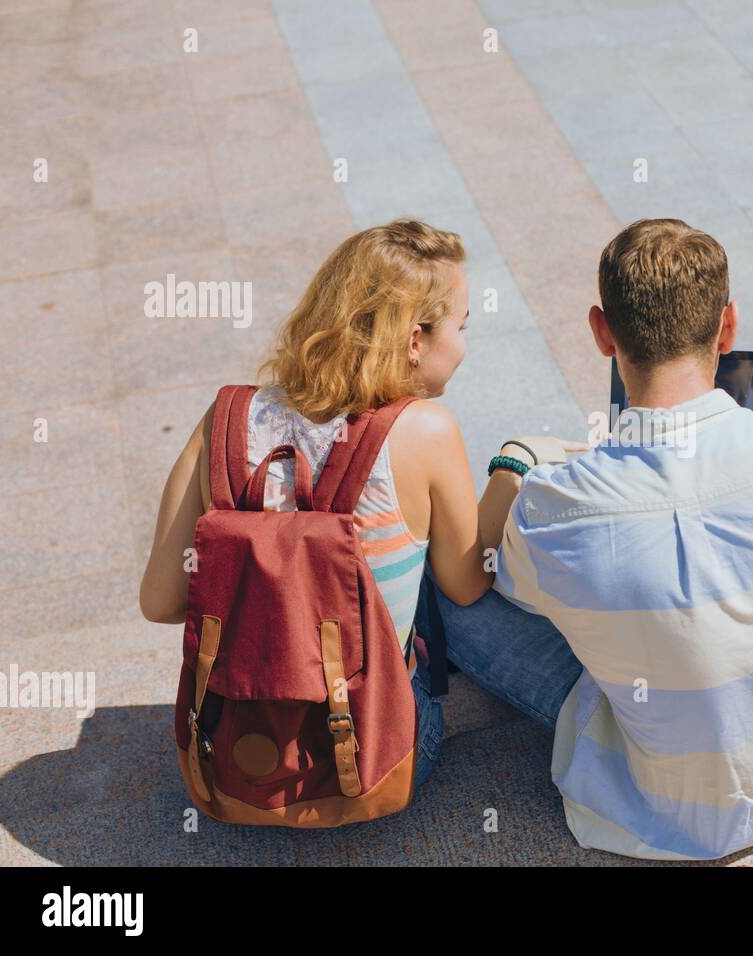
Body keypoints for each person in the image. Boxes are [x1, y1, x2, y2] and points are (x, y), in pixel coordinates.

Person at [416, 218, 753, 860]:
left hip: (647, 813)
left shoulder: (557, 504)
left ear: (600, 331)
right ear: (727, 327)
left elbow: (480, 577)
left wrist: (515, 463)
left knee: (456, 591)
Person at [138, 219, 583, 793]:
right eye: (461, 325)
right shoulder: (423, 430)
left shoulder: (222, 421)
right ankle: (598, 709)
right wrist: (513, 466)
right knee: (435, 571)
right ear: (416, 338)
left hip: (234, 758)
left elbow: (161, 601)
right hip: (373, 762)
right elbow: (468, 587)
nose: (465, 343)